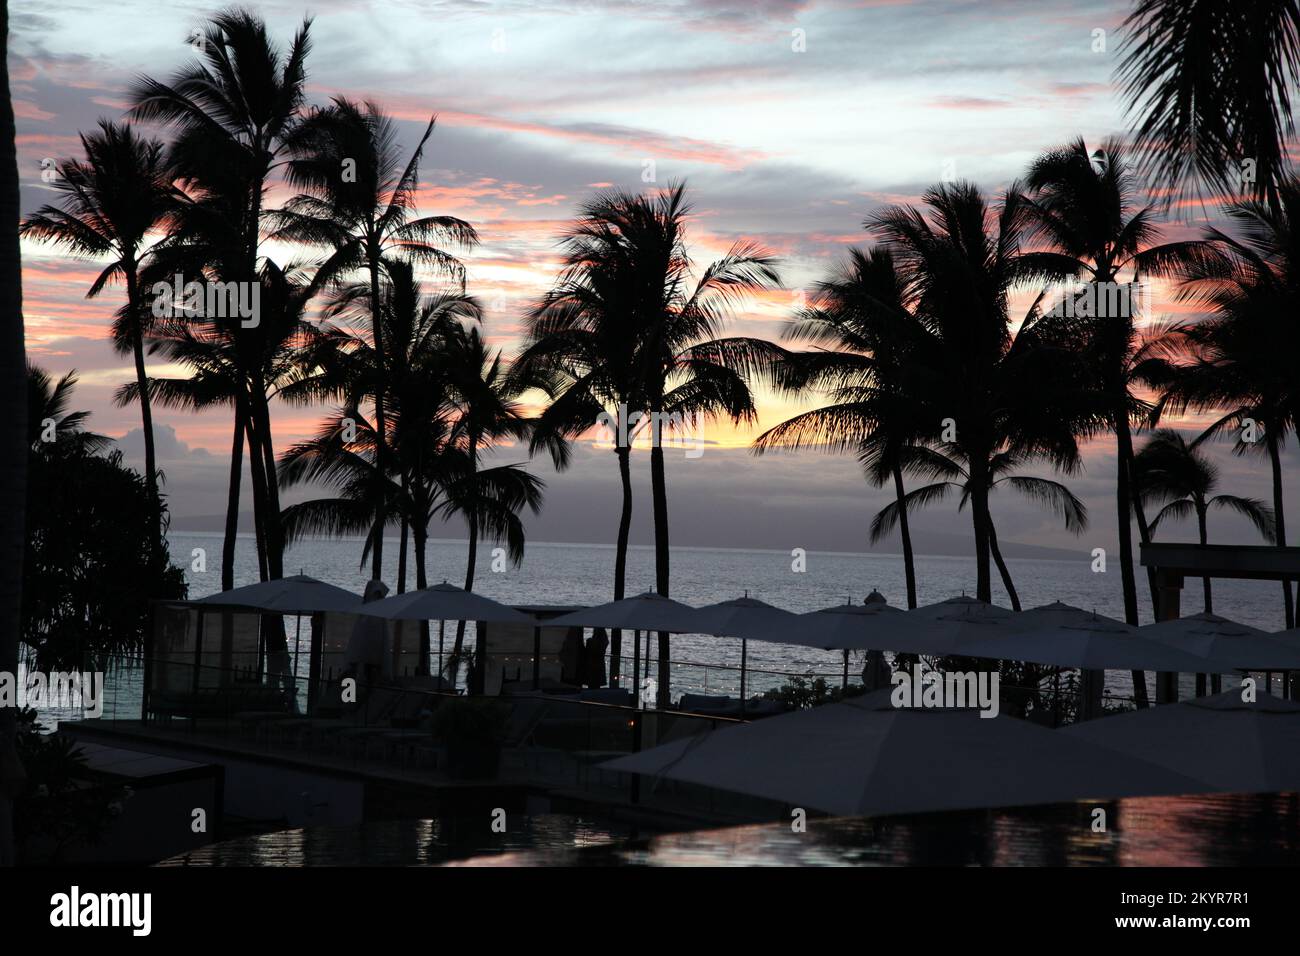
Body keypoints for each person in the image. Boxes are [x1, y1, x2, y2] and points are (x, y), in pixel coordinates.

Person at [343, 580, 391, 690]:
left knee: (366, 677)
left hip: (368, 657)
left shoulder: (370, 613)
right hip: (368, 657)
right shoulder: (373, 613)